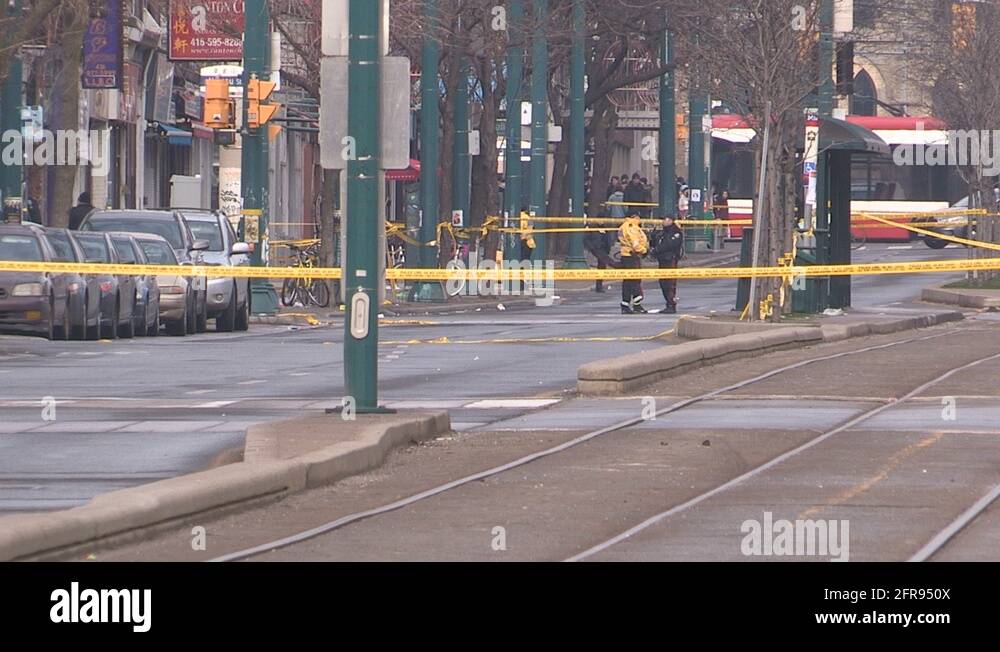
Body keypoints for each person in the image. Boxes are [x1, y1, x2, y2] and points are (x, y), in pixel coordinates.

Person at [650, 215, 685, 313]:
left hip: (670, 259)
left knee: (670, 283)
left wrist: (657, 250)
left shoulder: (676, 232)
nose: (663, 222)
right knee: (663, 282)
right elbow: (655, 242)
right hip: (662, 259)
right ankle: (668, 303)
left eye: (666, 220)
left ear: (671, 221)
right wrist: (653, 237)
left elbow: (669, 244)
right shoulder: (662, 232)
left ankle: (671, 304)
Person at [618, 212, 649, 314]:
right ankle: (636, 304)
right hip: (631, 256)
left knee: (628, 281)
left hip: (628, 255)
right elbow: (635, 242)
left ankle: (626, 304)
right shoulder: (632, 227)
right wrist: (644, 250)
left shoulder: (626, 226)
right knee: (634, 280)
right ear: (635, 217)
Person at [584, 227, 613, 293]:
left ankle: (599, 287)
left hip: (604, 250)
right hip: (596, 250)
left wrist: (608, 248)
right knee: (606, 263)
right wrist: (592, 248)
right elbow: (586, 239)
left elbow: (608, 239)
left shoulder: (606, 229)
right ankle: (599, 287)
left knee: (602, 267)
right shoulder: (592, 228)